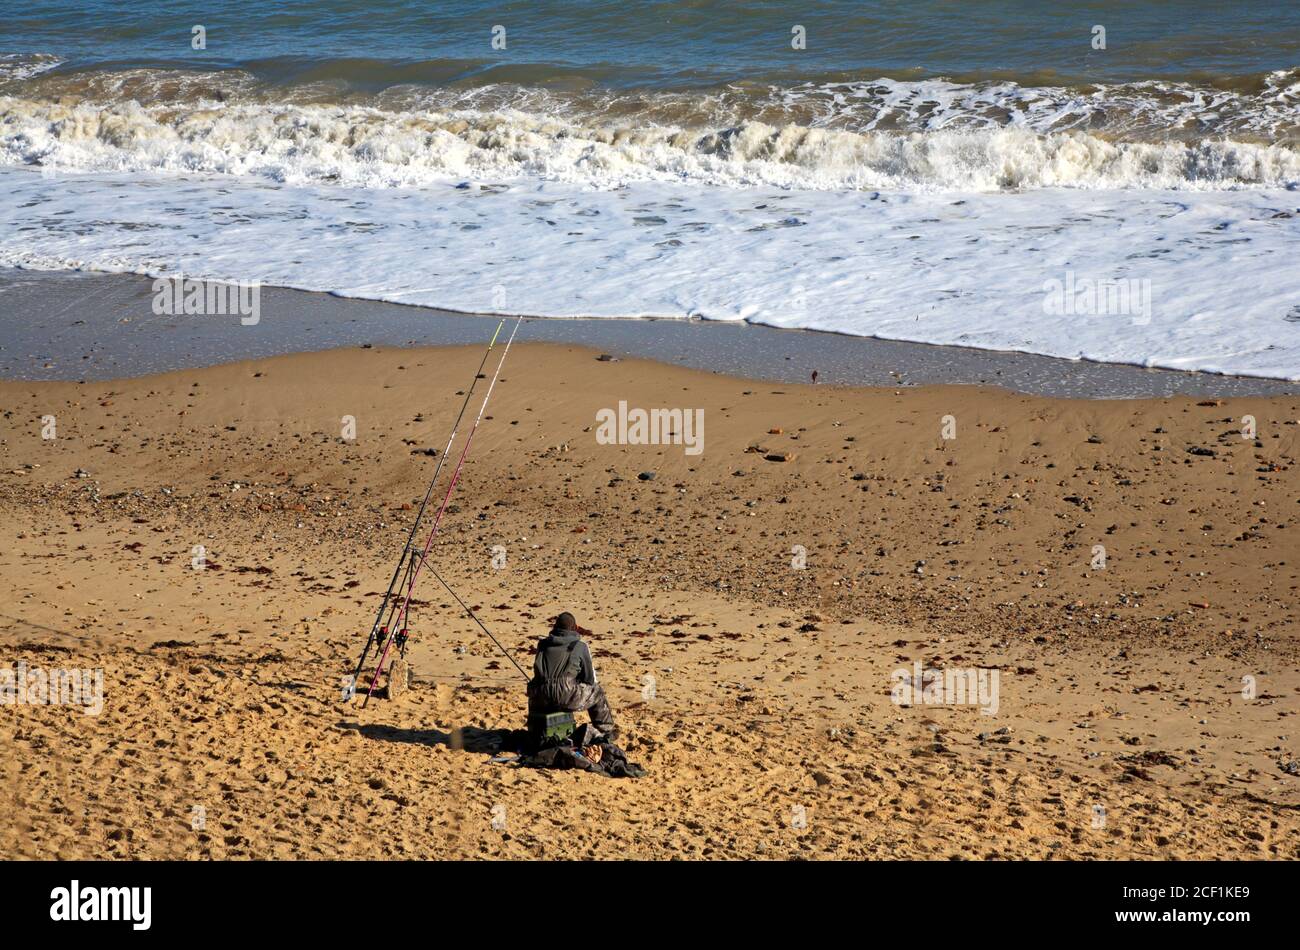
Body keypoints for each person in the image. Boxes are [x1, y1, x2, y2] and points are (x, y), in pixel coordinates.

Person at [528, 612, 617, 741]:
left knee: (535, 686)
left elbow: (538, 672)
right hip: (567, 695)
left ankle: (535, 730)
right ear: (575, 627)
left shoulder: (542, 645)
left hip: (541, 696)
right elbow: (590, 679)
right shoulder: (579, 646)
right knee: (597, 692)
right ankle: (606, 730)